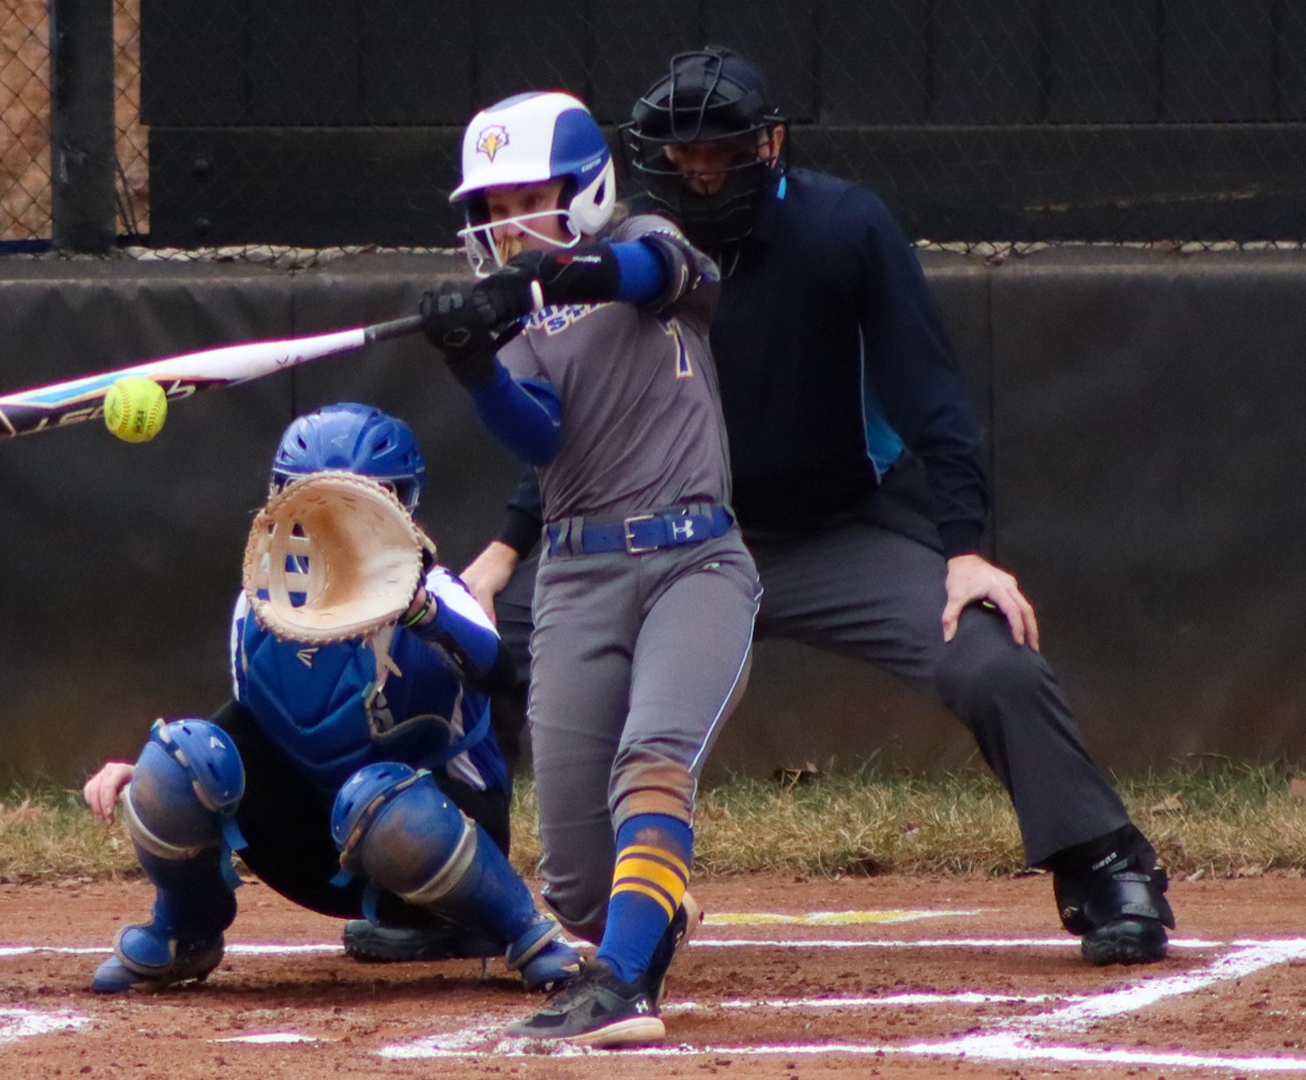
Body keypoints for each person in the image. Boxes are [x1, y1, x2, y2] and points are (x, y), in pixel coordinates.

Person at [460, 47, 1177, 969]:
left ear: (773, 144)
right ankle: (453, 890)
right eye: (682, 155)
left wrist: (964, 547)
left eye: (721, 149)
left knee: (986, 657)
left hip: (838, 531)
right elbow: (581, 431)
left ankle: (1104, 860)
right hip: (664, 545)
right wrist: (506, 550)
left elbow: (932, 397)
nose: (702, 170)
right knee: (474, 639)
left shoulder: (834, 229)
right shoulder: (595, 259)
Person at [417, 90, 759, 1047]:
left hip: (693, 561)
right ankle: (639, 929)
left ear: (584, 186)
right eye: (489, 208)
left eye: (526, 197)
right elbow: (540, 431)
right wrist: (475, 363)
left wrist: (546, 280)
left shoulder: (653, 240)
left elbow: (642, 273)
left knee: (652, 758)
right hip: (574, 575)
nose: (504, 223)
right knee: (573, 872)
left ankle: (623, 988)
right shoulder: (520, 318)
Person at [81, 403, 581, 997]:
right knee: (177, 759)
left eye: (361, 500)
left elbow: (498, 670)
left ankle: (522, 930)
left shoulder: (438, 594)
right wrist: (160, 775)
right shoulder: (260, 605)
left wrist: (423, 613)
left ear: (400, 504)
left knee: (380, 800)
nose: (336, 522)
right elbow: (252, 726)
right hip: (321, 851)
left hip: (441, 839)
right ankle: (184, 932)